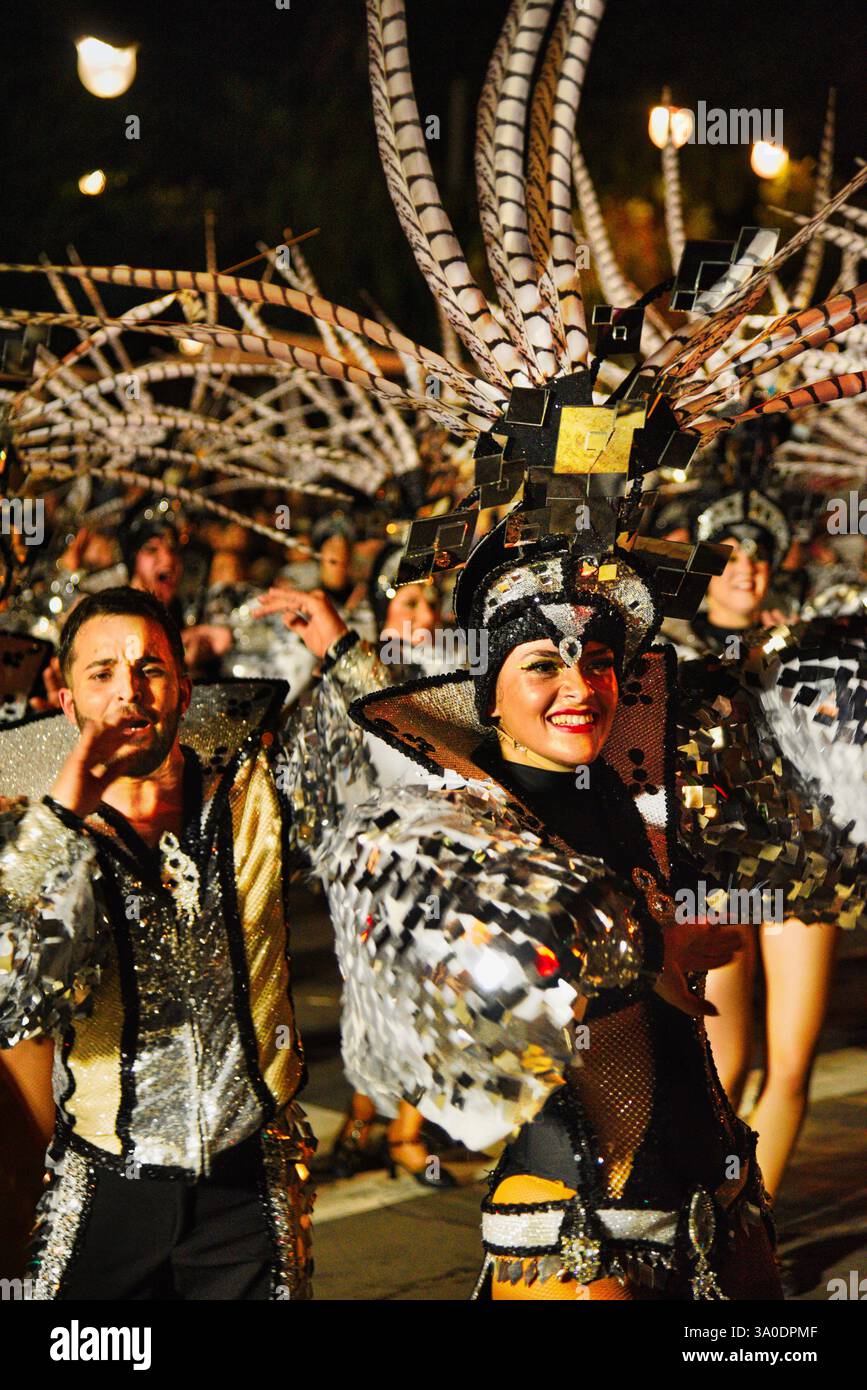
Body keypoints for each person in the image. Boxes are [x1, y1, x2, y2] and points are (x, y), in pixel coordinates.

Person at [318, 509, 786, 1301]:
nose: (579, 687)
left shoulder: (635, 796)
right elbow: (481, 985)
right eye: (543, 664)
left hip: (720, 1205)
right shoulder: (456, 825)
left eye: (598, 661)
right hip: (577, 1236)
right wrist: (646, 943)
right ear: (488, 698)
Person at [0, 582, 375, 1299]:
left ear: (181, 687)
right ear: (66, 697)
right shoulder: (31, 831)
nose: (128, 694)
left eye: (150, 669)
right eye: (102, 673)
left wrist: (341, 648)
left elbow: (391, 765)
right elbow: (9, 995)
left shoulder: (253, 794)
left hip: (244, 1189)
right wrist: (62, 818)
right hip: (106, 1191)